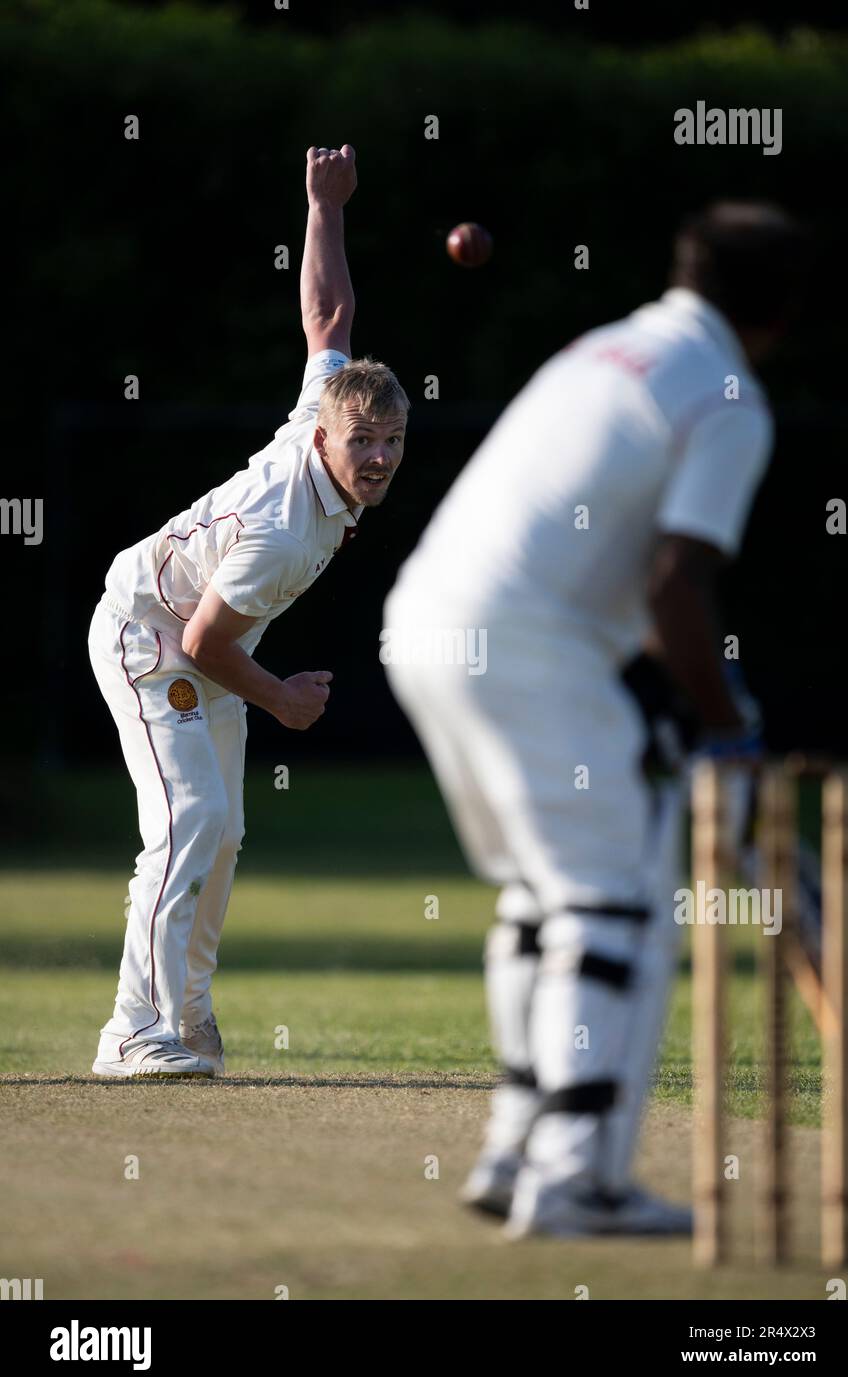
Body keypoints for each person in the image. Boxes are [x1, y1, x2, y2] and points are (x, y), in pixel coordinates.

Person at [383, 202, 808, 1237]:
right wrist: (728, 726)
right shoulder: (728, 398)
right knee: (611, 899)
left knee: (543, 896)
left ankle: (514, 1148)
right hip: (526, 643)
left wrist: (698, 707)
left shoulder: (598, 349)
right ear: (779, 309)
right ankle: (576, 1181)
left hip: (425, 617)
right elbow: (675, 586)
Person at [88, 145, 408, 1077]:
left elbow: (328, 316)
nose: (379, 457)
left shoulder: (322, 404)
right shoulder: (285, 529)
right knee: (188, 821)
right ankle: (129, 1035)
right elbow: (202, 640)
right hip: (149, 635)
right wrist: (280, 698)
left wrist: (325, 206)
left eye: (392, 440)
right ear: (325, 435)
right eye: (363, 441)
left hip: (198, 639)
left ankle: (186, 1021)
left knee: (223, 830)